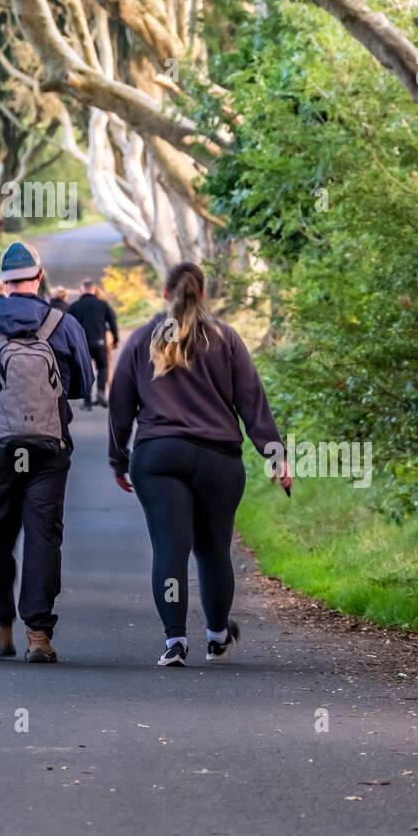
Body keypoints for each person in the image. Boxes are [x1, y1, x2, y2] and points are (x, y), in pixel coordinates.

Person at [108, 261, 291, 669]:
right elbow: (251, 402)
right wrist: (276, 457)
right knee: (212, 550)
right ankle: (217, 636)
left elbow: (120, 407)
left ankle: (175, 642)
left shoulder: (141, 340)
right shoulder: (225, 339)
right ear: (203, 293)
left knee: (170, 549)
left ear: (163, 293)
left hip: (158, 456)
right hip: (218, 459)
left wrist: (118, 459)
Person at [0, 241, 93, 663]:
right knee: (43, 537)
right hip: (50, 450)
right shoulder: (63, 324)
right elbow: (84, 384)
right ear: (39, 275)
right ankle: (38, 636)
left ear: (3, 281)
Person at [68, 279, 119, 409]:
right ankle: (101, 392)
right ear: (93, 289)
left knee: (84, 370)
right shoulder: (103, 305)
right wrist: (116, 338)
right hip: (99, 341)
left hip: (82, 343)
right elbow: (112, 322)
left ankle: (87, 401)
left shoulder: (75, 306)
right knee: (102, 367)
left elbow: (67, 325)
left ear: (82, 289)